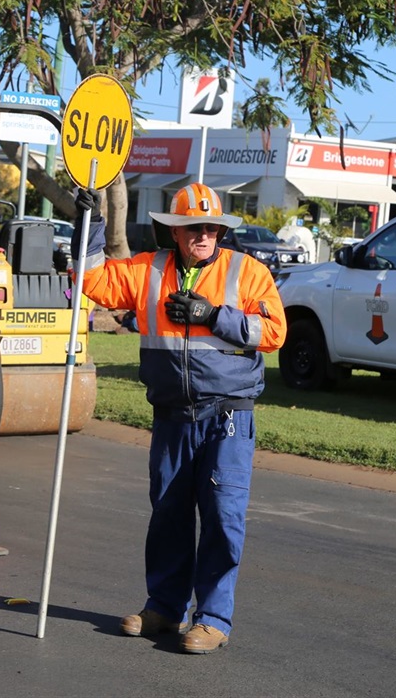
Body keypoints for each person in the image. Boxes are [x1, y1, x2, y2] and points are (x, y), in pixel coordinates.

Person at [71, 182, 286, 654]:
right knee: (168, 513)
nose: (203, 236)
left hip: (227, 416)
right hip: (172, 416)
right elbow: (93, 281)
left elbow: (274, 332)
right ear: (175, 231)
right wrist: (89, 228)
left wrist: (214, 315)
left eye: (211, 228)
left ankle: (211, 619)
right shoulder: (149, 270)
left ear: (220, 230)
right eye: (194, 228)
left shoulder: (246, 272)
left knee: (222, 516)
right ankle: (166, 608)